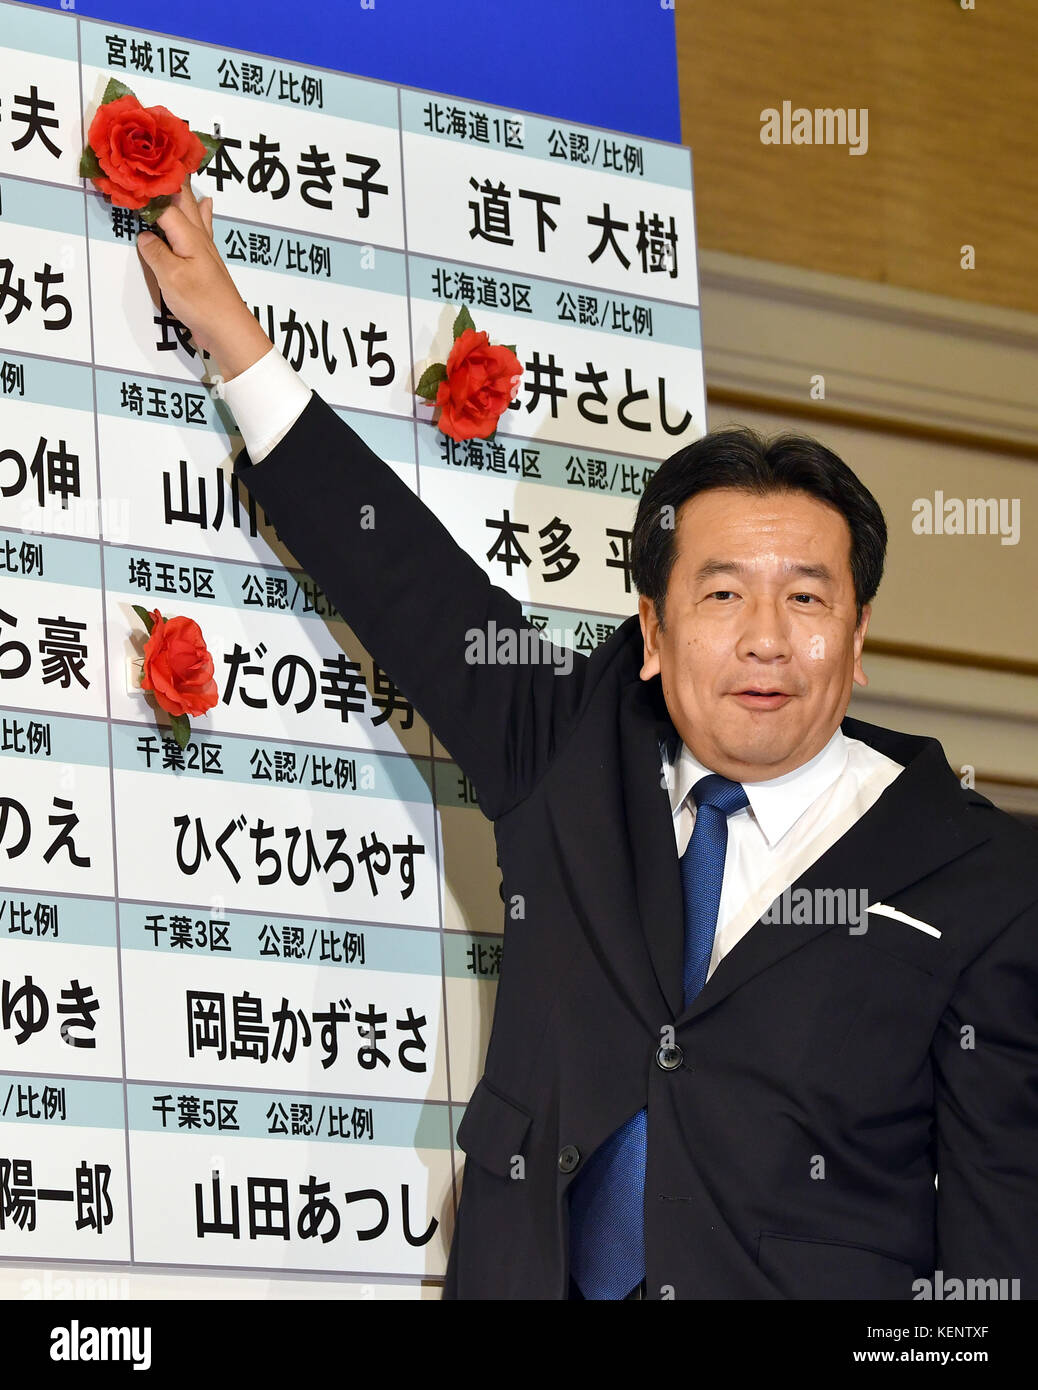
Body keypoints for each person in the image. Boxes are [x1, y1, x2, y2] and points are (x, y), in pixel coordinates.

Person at [135, 181, 1038, 1301]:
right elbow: (408, 585)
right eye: (721, 596)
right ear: (653, 633)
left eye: (807, 600)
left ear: (857, 643)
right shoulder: (569, 750)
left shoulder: (987, 874)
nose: (765, 640)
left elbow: (1006, 1232)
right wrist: (231, 334)